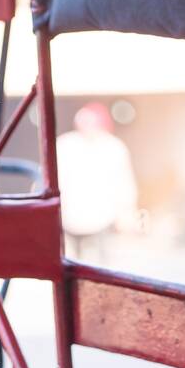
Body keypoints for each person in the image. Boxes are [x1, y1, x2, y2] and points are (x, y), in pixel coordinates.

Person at [56, 102, 140, 260]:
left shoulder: (114, 148)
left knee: (101, 265)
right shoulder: (65, 145)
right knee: (69, 264)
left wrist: (127, 213)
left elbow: (124, 183)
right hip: (68, 218)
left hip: (102, 218)